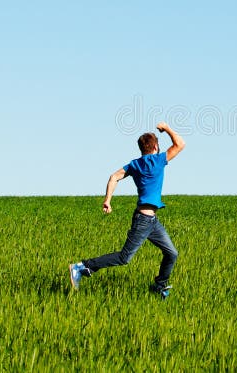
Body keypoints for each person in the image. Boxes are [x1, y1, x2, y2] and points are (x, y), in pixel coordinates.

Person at [69, 122, 185, 298]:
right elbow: (180, 144)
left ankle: (159, 286)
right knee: (124, 257)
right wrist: (167, 128)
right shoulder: (158, 160)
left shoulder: (135, 164)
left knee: (171, 253)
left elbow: (114, 177)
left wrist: (108, 200)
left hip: (151, 221)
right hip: (143, 221)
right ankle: (82, 266)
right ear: (155, 146)